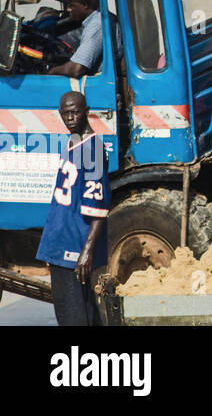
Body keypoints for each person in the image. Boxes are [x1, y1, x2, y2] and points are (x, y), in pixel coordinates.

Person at [37, 91, 109, 326]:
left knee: (76, 318)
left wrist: (86, 252)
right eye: (65, 113)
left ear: (86, 112)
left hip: (74, 248)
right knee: (79, 315)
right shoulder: (73, 141)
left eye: (75, 112)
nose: (70, 118)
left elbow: (99, 208)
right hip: (60, 243)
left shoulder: (94, 150)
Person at [49, 0, 101, 78]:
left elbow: (76, 69)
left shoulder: (97, 24)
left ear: (85, 5)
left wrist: (51, 71)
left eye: (71, 5)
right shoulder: (92, 21)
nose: (68, 10)